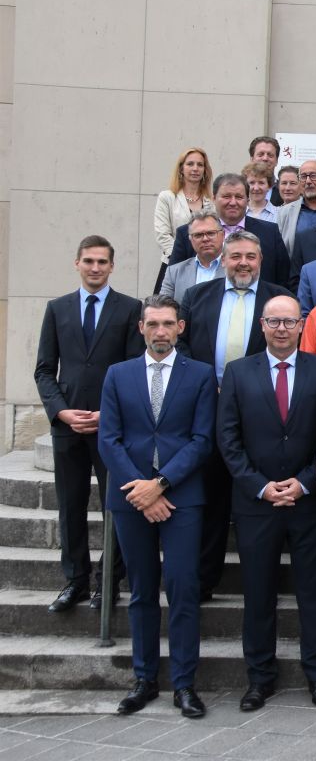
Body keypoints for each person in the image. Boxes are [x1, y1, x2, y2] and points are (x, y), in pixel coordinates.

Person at [217, 295, 316, 711]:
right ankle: (259, 678)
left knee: (315, 593)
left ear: (302, 325)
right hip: (256, 504)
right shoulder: (237, 373)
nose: (282, 328)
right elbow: (227, 439)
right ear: (263, 326)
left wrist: (305, 483)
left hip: (307, 503)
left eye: (289, 321)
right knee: (258, 592)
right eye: (274, 321)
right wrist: (261, 486)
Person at [98, 295, 216, 718]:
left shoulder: (200, 375)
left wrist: (161, 485)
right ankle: (144, 679)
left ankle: (184, 685)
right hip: (131, 499)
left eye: (168, 324)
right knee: (142, 591)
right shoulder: (118, 374)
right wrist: (142, 491)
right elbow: (108, 439)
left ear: (180, 327)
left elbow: (203, 440)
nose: (161, 331)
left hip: (181, 498)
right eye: (153, 324)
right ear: (141, 328)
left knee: (183, 589)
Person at [178, 230, 293, 600]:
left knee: (258, 497)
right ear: (224, 260)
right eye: (236, 256)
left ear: (261, 260)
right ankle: (205, 579)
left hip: (262, 414)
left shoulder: (280, 301)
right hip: (207, 408)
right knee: (211, 497)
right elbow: (183, 344)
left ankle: (263, 583)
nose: (243, 262)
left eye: (251, 256)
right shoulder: (197, 297)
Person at [34, 235, 142, 613]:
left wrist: (106, 414)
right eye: (89, 261)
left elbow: (133, 370)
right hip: (67, 426)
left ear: (112, 266)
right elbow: (45, 370)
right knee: (71, 505)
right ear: (77, 263)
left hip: (110, 428)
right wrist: (61, 411)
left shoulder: (130, 309)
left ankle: (107, 583)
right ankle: (75, 580)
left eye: (102, 262)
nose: (95, 268)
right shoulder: (57, 308)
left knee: (114, 506)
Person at [168, 172, 292, 290]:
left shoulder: (270, 232)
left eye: (239, 197)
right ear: (214, 198)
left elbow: (284, 280)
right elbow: (173, 278)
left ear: (247, 200)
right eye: (226, 196)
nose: (233, 202)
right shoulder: (188, 233)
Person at [153, 148, 213, 291]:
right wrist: (183, 258)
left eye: (200, 165)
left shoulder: (210, 201)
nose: (195, 168)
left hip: (203, 266)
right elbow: (162, 235)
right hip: (173, 264)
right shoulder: (167, 197)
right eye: (190, 164)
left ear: (205, 170)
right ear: (181, 169)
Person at [160, 211, 224, 306]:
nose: (205, 239)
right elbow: (162, 308)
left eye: (211, 233)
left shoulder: (235, 268)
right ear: (190, 239)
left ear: (223, 235)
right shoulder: (174, 272)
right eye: (198, 235)